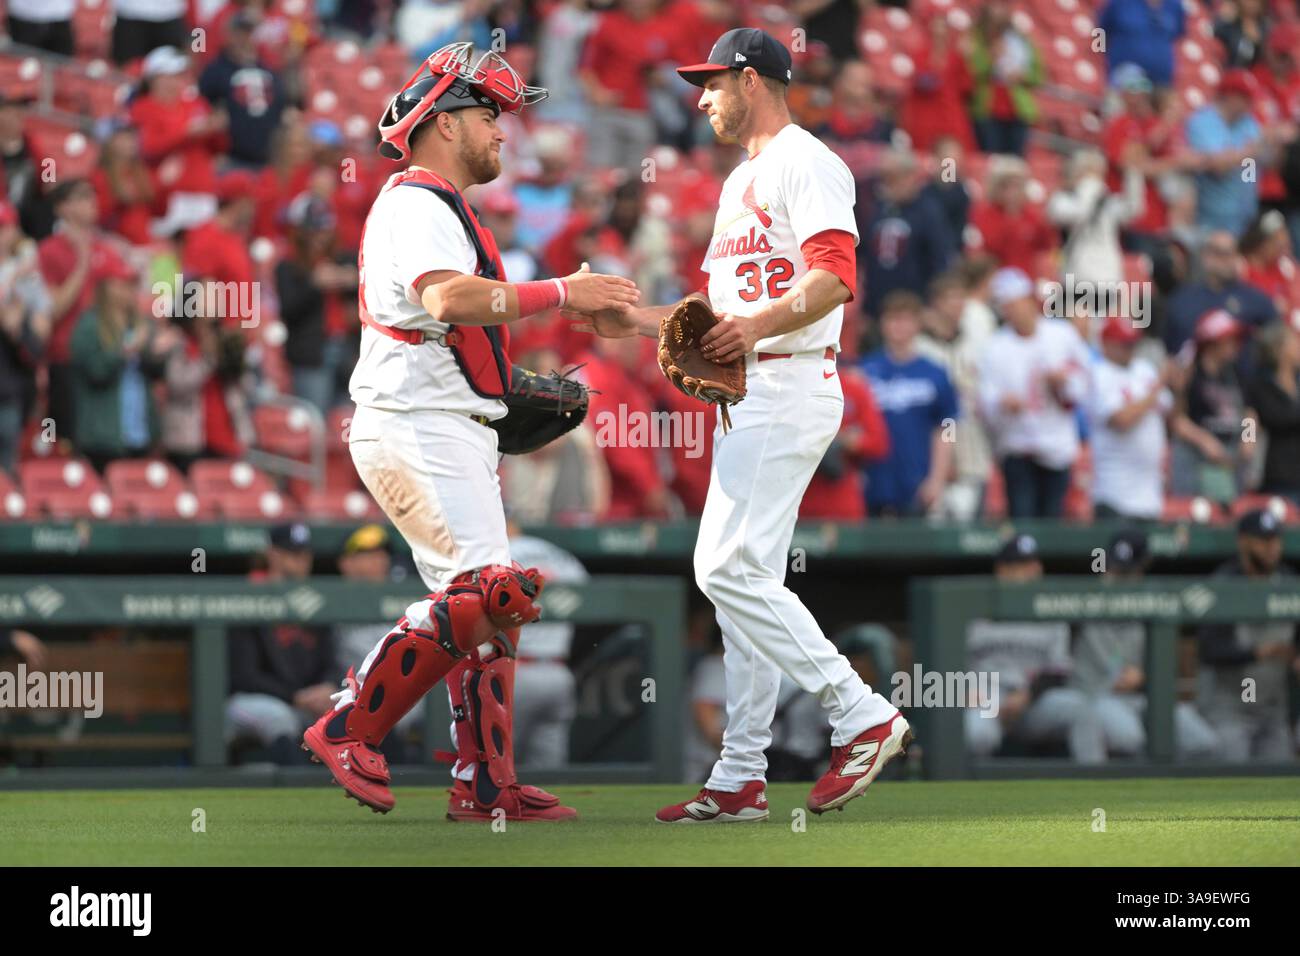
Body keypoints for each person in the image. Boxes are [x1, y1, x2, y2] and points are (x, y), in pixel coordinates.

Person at [581, 28, 912, 822]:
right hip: (754, 388)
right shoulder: (740, 183)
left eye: (713, 83)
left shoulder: (808, 160)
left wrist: (756, 331)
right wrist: (629, 319)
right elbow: (714, 321)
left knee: (722, 569)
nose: (701, 99)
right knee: (744, 587)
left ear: (754, 80)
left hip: (788, 383)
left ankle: (860, 711)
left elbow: (835, 278)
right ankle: (740, 773)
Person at [302, 43, 636, 821]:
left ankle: (486, 783)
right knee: (485, 594)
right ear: (446, 123)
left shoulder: (440, 205)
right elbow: (450, 299)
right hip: (415, 423)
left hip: (448, 422)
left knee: (500, 604)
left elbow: (460, 316)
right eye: (489, 116)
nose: (501, 133)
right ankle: (349, 724)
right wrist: (561, 290)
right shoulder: (416, 199)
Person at [1072, 530, 1219, 761]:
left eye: (1127, 571)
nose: (1119, 577)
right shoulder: (1082, 599)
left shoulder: (1156, 600)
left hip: (1144, 699)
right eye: (1115, 569)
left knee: (1203, 742)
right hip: (1097, 696)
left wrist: (1146, 676)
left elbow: (1175, 669)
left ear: (1143, 566)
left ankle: (1175, 795)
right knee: (1129, 737)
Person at [966, 534, 1105, 762]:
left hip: (1033, 700)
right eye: (1020, 565)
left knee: (1080, 709)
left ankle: (1099, 791)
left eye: (1033, 564)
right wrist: (961, 690)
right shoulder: (974, 609)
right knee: (976, 733)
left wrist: (1028, 695)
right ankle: (971, 795)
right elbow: (949, 659)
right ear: (1001, 570)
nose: (1031, 571)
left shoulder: (1050, 611)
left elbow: (1059, 671)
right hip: (987, 697)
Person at [977, 267, 1090, 518]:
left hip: (1057, 445)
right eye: (1007, 307)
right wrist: (1002, 402)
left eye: (1017, 304)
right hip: (1017, 445)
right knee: (1023, 516)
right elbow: (985, 400)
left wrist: (1063, 382)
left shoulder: (1062, 335)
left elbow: (1084, 384)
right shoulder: (996, 347)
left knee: (1053, 519)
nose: (1014, 312)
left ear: (1030, 301)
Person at [228, 523, 338, 766]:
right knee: (278, 717)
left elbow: (331, 661)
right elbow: (244, 675)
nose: (301, 561)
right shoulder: (249, 596)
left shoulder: (316, 599)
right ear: (273, 554)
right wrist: (295, 696)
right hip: (247, 701)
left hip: (304, 700)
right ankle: (297, 789)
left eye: (305, 554)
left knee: (347, 713)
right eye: (292, 553)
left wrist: (327, 687)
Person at [1196, 509, 1297, 761]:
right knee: (1230, 775)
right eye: (1263, 540)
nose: (1272, 547)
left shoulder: (1289, 582)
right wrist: (1258, 652)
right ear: (1243, 541)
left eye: (1275, 539)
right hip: (1228, 708)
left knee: (1280, 786)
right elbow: (1209, 650)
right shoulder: (1222, 584)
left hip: (1274, 709)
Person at [69, 256, 181, 472]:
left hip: (139, 434)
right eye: (123, 284)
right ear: (106, 287)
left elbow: (158, 374)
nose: (129, 291)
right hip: (102, 437)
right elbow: (96, 372)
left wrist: (158, 354)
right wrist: (127, 350)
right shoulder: (89, 325)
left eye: (132, 285)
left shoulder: (142, 324)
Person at [860, 290, 958, 517]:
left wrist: (937, 479)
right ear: (882, 324)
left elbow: (947, 429)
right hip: (873, 481)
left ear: (917, 324)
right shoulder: (865, 372)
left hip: (918, 482)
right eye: (893, 319)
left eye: (905, 320)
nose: (899, 327)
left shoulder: (935, 373)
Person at [506, 516, 587, 769]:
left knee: (500, 759)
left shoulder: (501, 554)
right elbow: (589, 598)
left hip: (518, 669)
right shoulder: (558, 555)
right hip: (558, 669)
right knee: (550, 766)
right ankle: (548, 804)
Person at [857, 147, 957, 323]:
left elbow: (940, 261)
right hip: (877, 307)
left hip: (915, 308)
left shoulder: (928, 211)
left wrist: (931, 305)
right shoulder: (878, 208)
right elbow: (865, 254)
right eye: (885, 179)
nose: (886, 185)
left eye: (893, 179)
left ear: (911, 177)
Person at [1088, 316, 1174, 520]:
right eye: (1124, 344)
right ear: (1106, 344)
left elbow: (1171, 413)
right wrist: (1155, 390)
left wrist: (1178, 387)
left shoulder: (1143, 369)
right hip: (1115, 496)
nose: (1131, 350)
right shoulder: (1098, 374)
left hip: (1149, 497)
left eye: (1133, 344)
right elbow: (1121, 420)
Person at [1169, 309, 1252, 505]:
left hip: (1230, 464)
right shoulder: (1191, 374)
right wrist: (1203, 440)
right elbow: (1177, 420)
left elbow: (1250, 412)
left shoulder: (1236, 373)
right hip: (1196, 464)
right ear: (1212, 342)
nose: (1236, 345)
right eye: (1229, 339)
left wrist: (1249, 437)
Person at [1163, 230, 1276, 356]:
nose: (1226, 260)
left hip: (1238, 373)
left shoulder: (1254, 299)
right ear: (1205, 256)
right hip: (1190, 370)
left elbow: (1277, 335)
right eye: (1219, 253)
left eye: (1231, 253)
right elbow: (1167, 345)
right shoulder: (1182, 298)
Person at [0, 201, 50, 474]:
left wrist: (19, 327)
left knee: (7, 476)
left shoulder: (26, 274)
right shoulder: (19, 274)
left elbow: (40, 336)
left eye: (3, 228)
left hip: (9, 386)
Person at [1185, 70, 1265, 238]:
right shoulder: (1202, 122)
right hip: (1211, 217)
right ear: (1230, 96)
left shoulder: (1248, 123)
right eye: (1245, 98)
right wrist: (1246, 153)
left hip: (1244, 217)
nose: (1250, 104)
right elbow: (1217, 167)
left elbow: (1249, 166)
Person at [967, 0, 1042, 157]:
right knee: (991, 159)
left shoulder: (1021, 39)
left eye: (1003, 5)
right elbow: (971, 71)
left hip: (1018, 109)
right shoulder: (976, 38)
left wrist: (1023, 76)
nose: (999, 10)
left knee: (1016, 161)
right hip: (988, 109)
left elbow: (1037, 75)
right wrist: (992, 58)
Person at [1247, 318, 1300, 503]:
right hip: (1278, 476)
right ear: (1280, 350)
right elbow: (1250, 419)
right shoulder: (1261, 386)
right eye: (1294, 342)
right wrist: (1247, 443)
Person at [1097, 0, 1185, 88]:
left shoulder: (1174, 5)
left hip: (1161, 81)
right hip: (1126, 80)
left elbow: (1177, 34)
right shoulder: (1120, 3)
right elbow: (1101, 30)